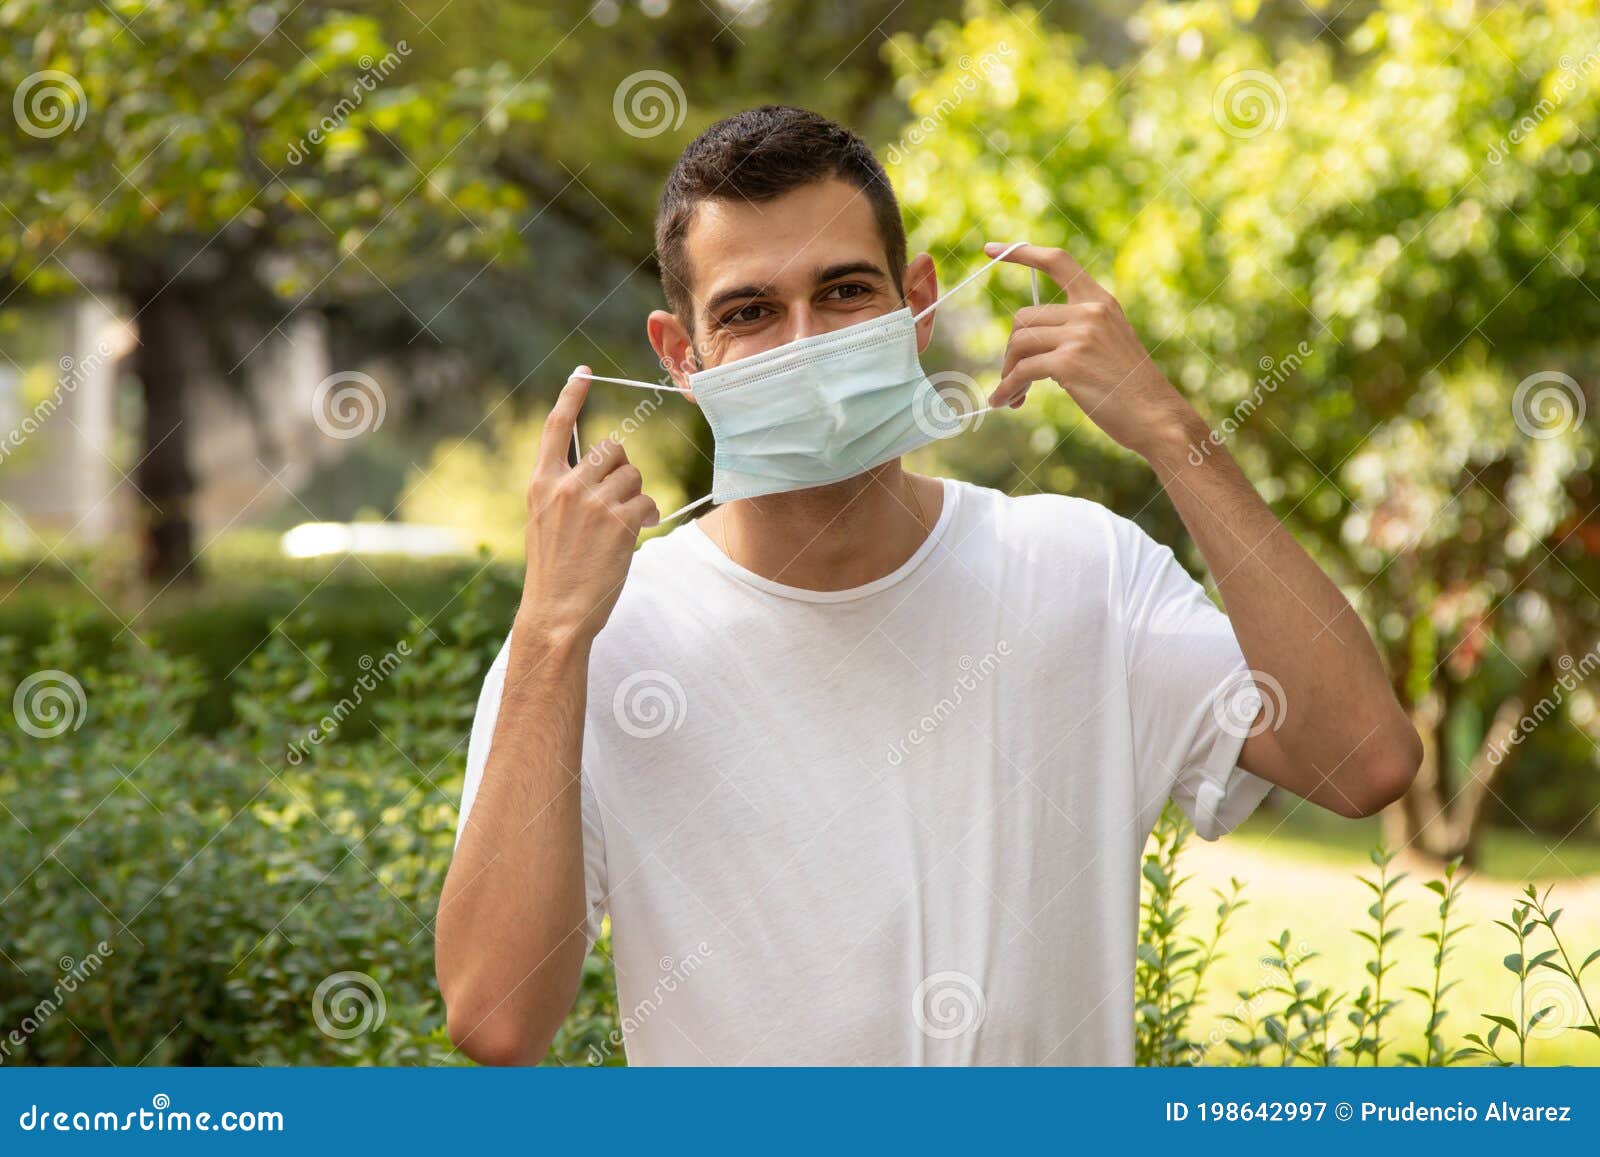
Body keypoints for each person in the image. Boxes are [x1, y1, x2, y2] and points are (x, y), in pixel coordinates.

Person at [434, 105, 1421, 1066]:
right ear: (681, 356)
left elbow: (1362, 760)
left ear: (917, 303)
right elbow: (496, 1016)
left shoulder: (1082, 570)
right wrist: (553, 635)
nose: (806, 342)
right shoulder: (596, 640)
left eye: (844, 292)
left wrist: (1173, 433)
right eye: (748, 311)